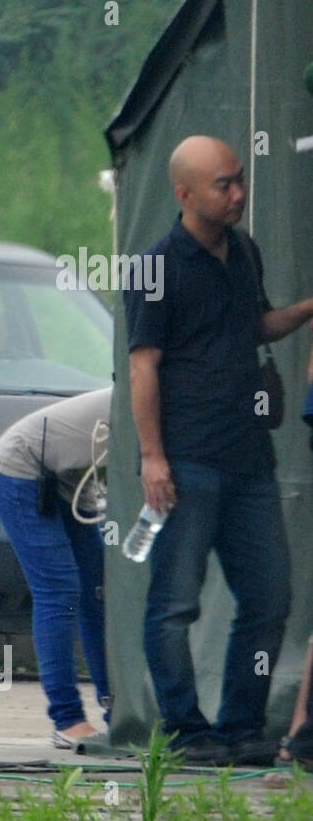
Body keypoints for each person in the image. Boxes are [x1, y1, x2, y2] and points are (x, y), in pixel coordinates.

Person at [125, 135, 313, 766]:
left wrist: (307, 310)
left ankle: (239, 727)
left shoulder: (244, 251)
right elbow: (143, 365)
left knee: (268, 598)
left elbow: (254, 326)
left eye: (239, 180)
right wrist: (153, 457)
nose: (237, 193)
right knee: (175, 603)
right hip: (186, 459)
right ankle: (185, 730)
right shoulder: (157, 266)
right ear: (184, 194)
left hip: (249, 458)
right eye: (223, 185)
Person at [0, 387, 111, 749]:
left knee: (96, 593)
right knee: (60, 591)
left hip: (68, 481)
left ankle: (116, 710)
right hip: (20, 469)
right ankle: (67, 720)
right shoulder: (151, 392)